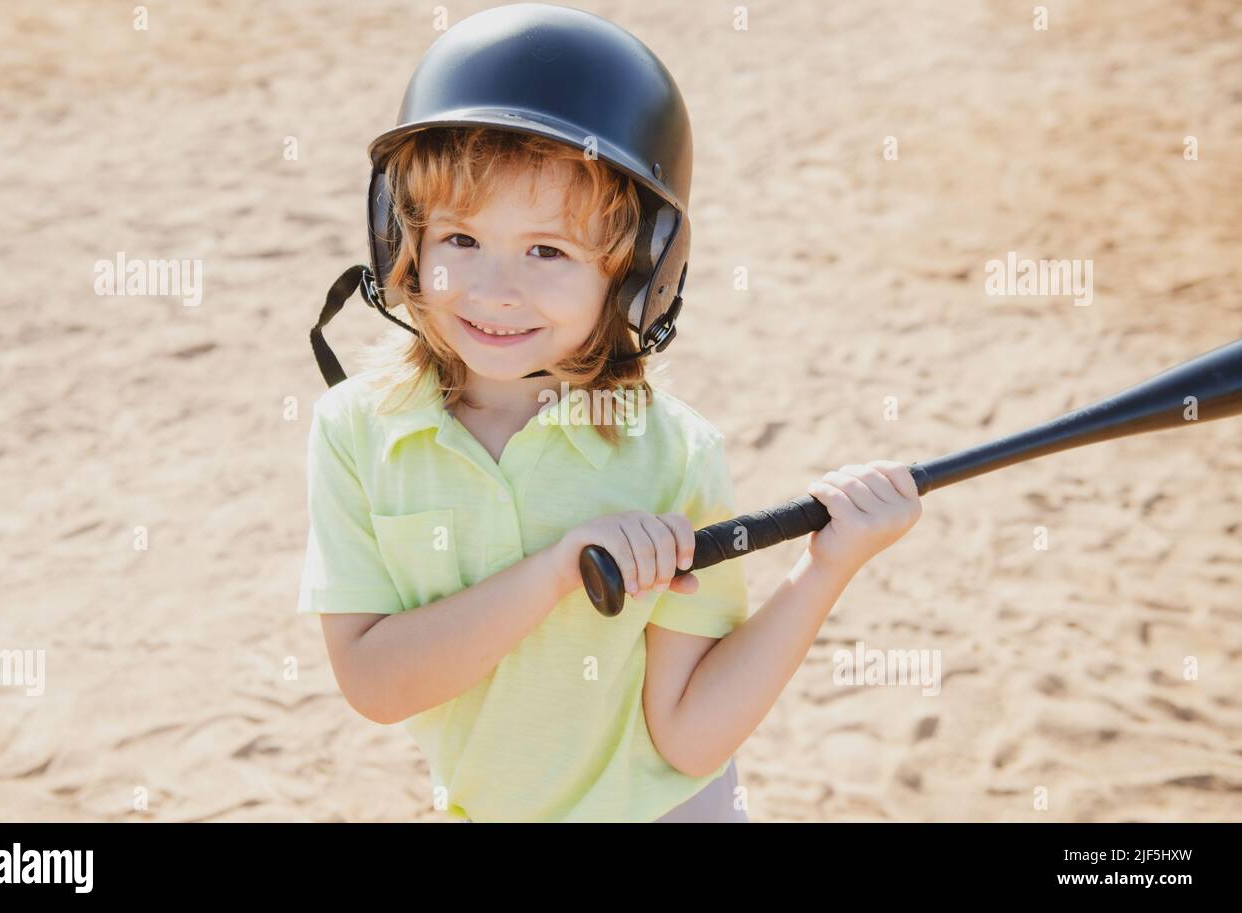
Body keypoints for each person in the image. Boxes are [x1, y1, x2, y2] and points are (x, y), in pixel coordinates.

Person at [297, 4, 922, 823]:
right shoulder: (357, 430)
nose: (493, 290)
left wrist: (828, 566)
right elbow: (375, 684)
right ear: (398, 237)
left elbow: (690, 737)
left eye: (548, 251)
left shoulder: (672, 455)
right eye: (458, 240)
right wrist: (559, 570)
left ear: (636, 275)